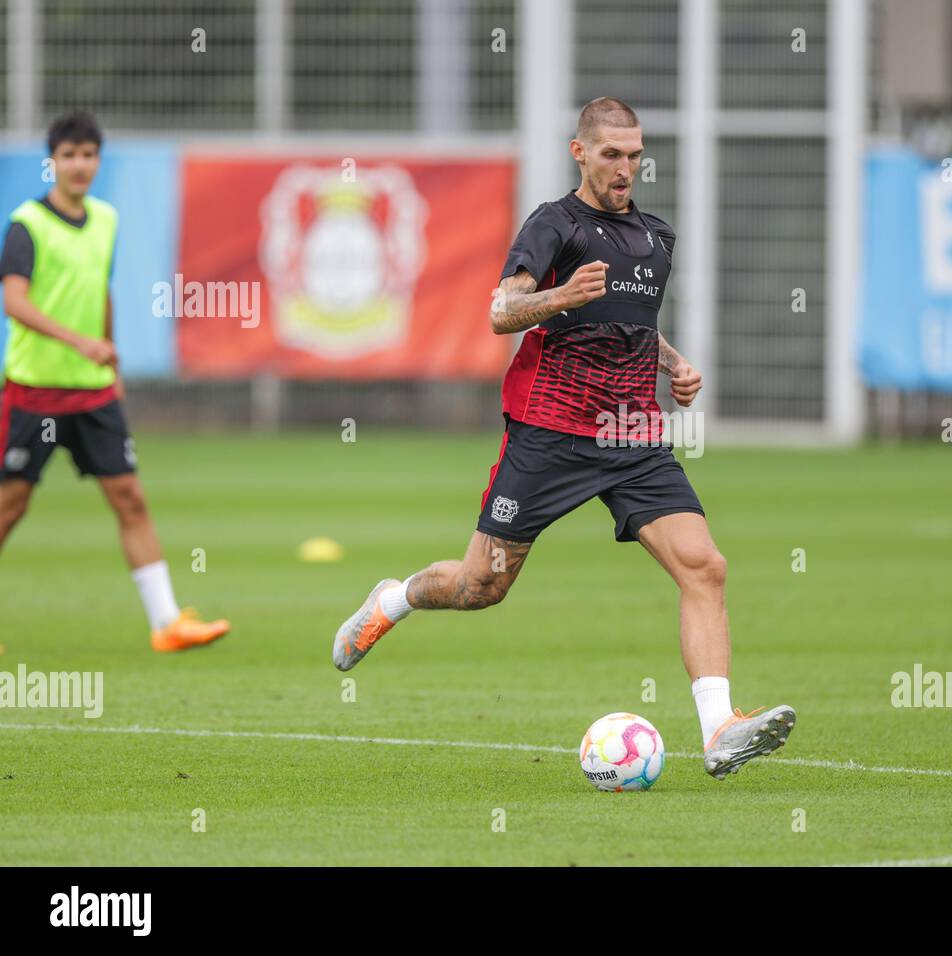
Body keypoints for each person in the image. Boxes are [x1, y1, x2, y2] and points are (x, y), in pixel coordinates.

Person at [331, 97, 795, 778]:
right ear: (580, 153)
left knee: (706, 567)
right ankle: (393, 600)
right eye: (611, 154)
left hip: (633, 433)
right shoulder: (555, 226)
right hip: (550, 432)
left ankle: (719, 728)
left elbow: (632, 320)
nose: (626, 168)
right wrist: (559, 297)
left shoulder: (656, 238)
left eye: (635, 155)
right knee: (480, 586)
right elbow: (500, 310)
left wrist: (675, 364)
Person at [0, 111, 230, 652]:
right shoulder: (26, 225)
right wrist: (77, 342)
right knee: (12, 504)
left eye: (88, 155)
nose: (79, 165)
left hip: (93, 390)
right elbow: (14, 302)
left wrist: (110, 364)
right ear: (51, 161)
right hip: (35, 390)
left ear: (98, 161)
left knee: (129, 496)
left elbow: (99, 290)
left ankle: (167, 622)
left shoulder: (105, 219)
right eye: (69, 155)